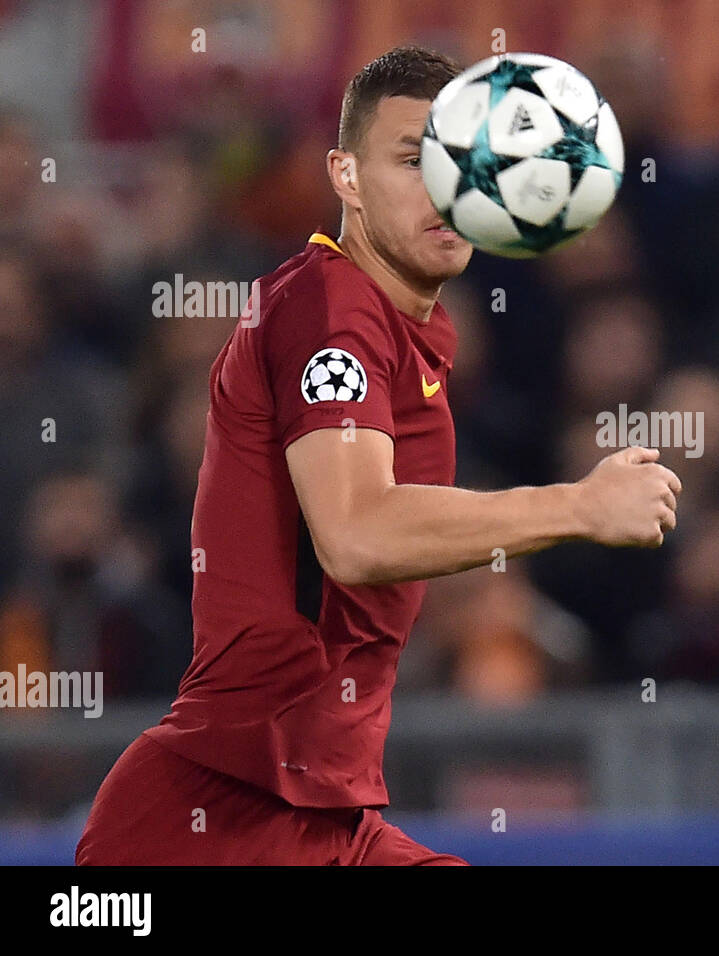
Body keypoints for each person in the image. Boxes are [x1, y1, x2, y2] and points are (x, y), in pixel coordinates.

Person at [76, 47, 682, 866]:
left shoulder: (417, 330)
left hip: (323, 816)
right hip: (217, 821)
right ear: (346, 175)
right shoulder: (331, 309)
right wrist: (578, 505)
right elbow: (358, 533)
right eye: (413, 158)